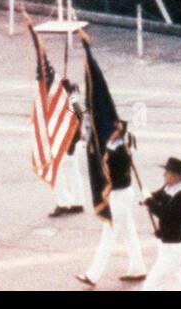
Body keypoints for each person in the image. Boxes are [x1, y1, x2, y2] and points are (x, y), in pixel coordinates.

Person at [77, 120, 147, 287]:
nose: (109, 132)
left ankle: (92, 275)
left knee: (108, 236)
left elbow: (105, 165)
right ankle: (138, 268)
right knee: (129, 232)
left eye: (113, 130)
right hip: (120, 194)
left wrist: (94, 145)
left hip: (120, 195)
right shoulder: (117, 146)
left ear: (118, 132)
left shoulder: (119, 150)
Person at [142, 157, 181, 291]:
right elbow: (157, 196)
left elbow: (165, 213)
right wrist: (147, 198)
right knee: (176, 285)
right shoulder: (169, 188)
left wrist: (149, 202)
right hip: (165, 246)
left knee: (151, 285)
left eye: (167, 172)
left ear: (175, 176)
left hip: (175, 250)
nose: (164, 175)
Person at [50, 80, 87, 217]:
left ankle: (63, 202)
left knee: (58, 173)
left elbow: (78, 117)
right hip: (72, 144)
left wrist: (71, 143)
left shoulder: (69, 103)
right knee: (74, 172)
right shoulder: (71, 100)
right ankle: (78, 201)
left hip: (68, 144)